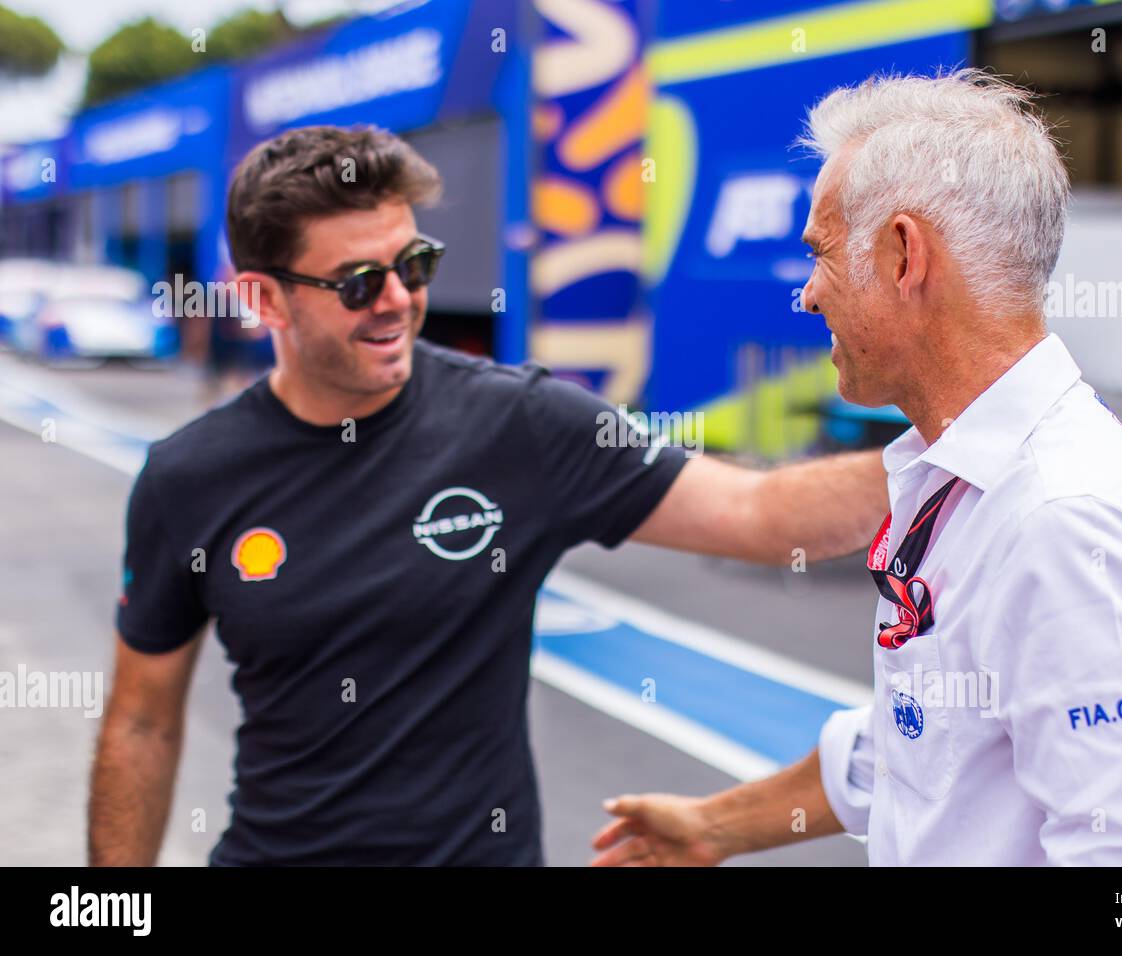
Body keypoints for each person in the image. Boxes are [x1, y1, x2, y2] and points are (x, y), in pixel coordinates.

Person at [89, 124, 890, 866]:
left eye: (414, 265)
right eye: (360, 282)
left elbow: (763, 514)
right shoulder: (189, 477)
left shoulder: (519, 423)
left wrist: (962, 442)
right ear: (264, 299)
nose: (398, 299)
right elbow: (141, 721)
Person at [592, 69, 1122, 867]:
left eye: (821, 254)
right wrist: (716, 828)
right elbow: (926, 735)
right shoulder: (973, 479)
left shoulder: (1066, 521)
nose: (806, 294)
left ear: (904, 254)